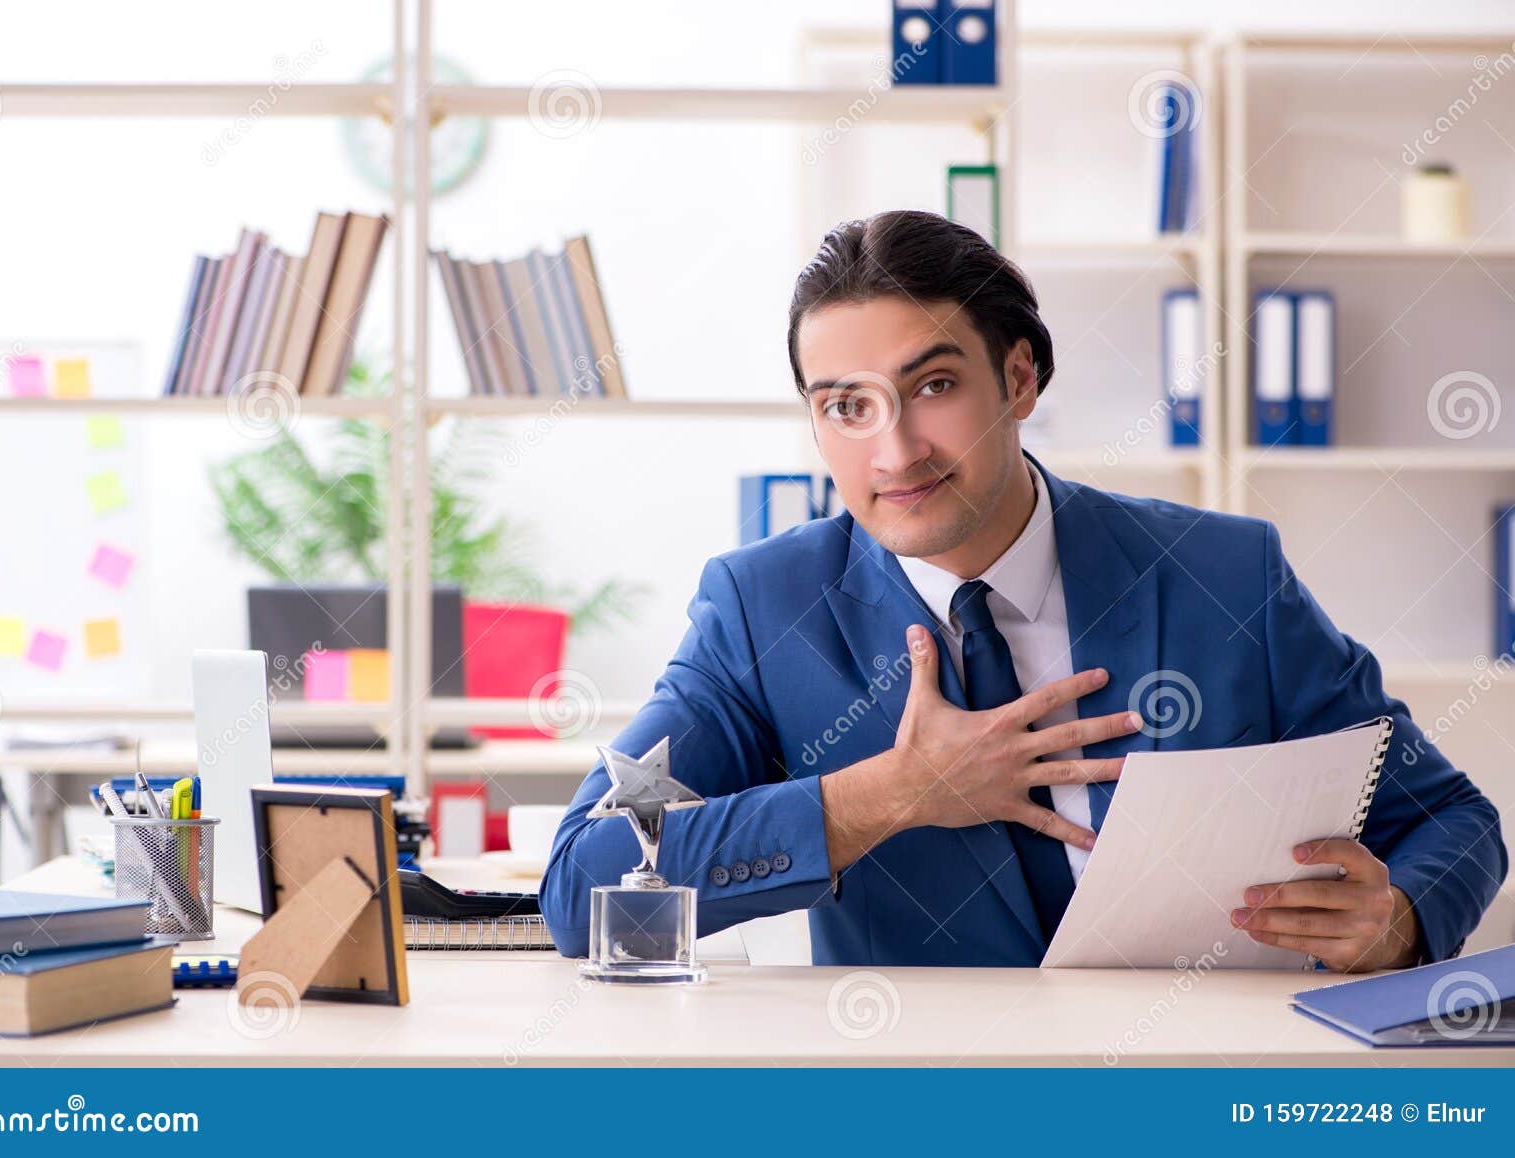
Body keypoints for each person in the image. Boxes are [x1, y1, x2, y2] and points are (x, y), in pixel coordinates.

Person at [539, 209, 1507, 970]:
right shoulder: (764, 610)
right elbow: (588, 882)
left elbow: (1450, 822)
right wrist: (886, 795)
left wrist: (1398, 922)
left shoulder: (1227, 577)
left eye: (932, 387)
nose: (896, 450)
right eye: (846, 406)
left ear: (1018, 378)